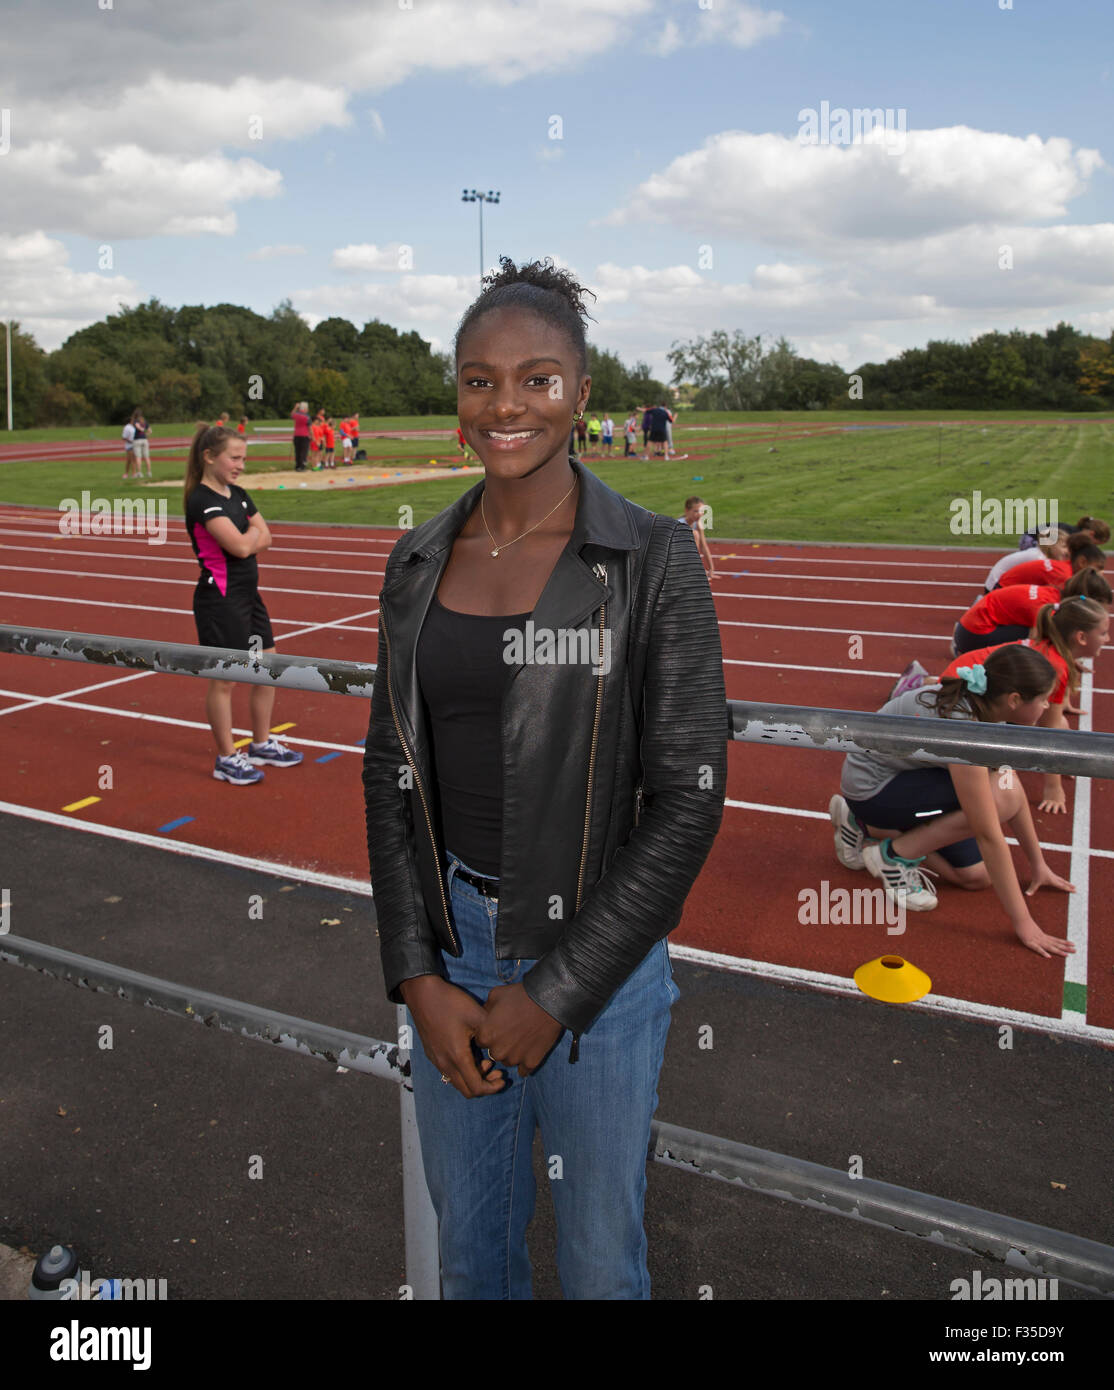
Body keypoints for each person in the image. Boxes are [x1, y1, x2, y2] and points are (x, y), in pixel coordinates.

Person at [362, 255, 726, 1300]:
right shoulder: (417, 560)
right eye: (480, 380)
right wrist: (417, 974)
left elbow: (690, 795)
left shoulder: (653, 557)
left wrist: (559, 990)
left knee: (602, 1267)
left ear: (581, 394)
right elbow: (388, 772)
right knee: (471, 1261)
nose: (506, 405)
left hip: (597, 963)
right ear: (457, 398)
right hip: (454, 953)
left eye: (536, 379)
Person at [829, 644, 1074, 957]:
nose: (1047, 707)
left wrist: (1039, 865)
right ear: (1014, 700)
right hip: (872, 788)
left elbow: (1010, 785)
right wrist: (1024, 923)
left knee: (977, 877)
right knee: (1002, 796)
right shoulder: (965, 732)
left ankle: (865, 828)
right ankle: (892, 856)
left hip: (909, 777)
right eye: (1042, 700)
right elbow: (989, 833)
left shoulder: (990, 708)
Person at [183, 424, 304, 785]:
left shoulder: (237, 494)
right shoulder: (201, 500)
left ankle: (261, 744)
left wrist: (249, 539)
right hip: (220, 600)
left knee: (267, 667)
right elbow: (239, 546)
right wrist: (252, 538)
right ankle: (225, 758)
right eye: (234, 458)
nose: (241, 465)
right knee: (226, 680)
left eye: (243, 459)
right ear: (209, 457)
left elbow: (267, 537)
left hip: (249, 596)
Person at [937, 598, 1109, 814]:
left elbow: (1053, 723)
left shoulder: (1054, 653)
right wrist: (1053, 788)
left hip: (967, 680)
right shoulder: (1056, 665)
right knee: (1005, 778)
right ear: (1081, 637)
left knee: (1059, 723)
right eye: (1103, 633)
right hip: (961, 692)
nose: (1108, 639)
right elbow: (1049, 732)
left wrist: (1061, 705)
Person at [952, 568, 1111, 656]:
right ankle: (971, 653)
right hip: (973, 635)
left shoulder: (1053, 595)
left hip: (970, 627)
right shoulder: (1048, 607)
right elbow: (1039, 643)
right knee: (1043, 640)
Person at [994, 535, 1103, 591]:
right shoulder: (1063, 574)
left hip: (1001, 587)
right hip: (999, 591)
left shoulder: (1064, 567)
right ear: (1082, 562)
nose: (1101, 573)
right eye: (1098, 568)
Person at [983, 529, 1068, 593]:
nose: (1067, 551)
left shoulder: (1041, 555)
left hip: (1000, 583)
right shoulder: (1038, 558)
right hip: (995, 586)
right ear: (1050, 545)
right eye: (1064, 546)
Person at [678, 495, 716, 577]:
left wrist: (711, 569)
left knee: (695, 534)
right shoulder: (680, 524)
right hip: (674, 557)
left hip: (684, 558)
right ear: (687, 511)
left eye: (701, 511)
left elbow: (704, 547)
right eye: (696, 511)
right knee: (695, 534)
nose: (699, 514)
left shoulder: (698, 524)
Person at [130, 409, 153, 479]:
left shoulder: (136, 421)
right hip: (145, 440)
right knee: (147, 457)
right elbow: (150, 431)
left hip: (137, 440)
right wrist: (146, 434)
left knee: (138, 457)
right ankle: (149, 472)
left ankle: (139, 473)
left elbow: (138, 427)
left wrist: (142, 430)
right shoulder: (144, 421)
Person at [291, 401, 311, 471]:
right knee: (304, 451)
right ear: (305, 409)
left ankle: (297, 466)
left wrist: (295, 407)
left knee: (297, 451)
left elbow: (291, 415)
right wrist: (312, 435)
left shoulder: (296, 415)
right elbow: (309, 427)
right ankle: (302, 466)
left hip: (296, 435)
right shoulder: (307, 416)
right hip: (304, 435)